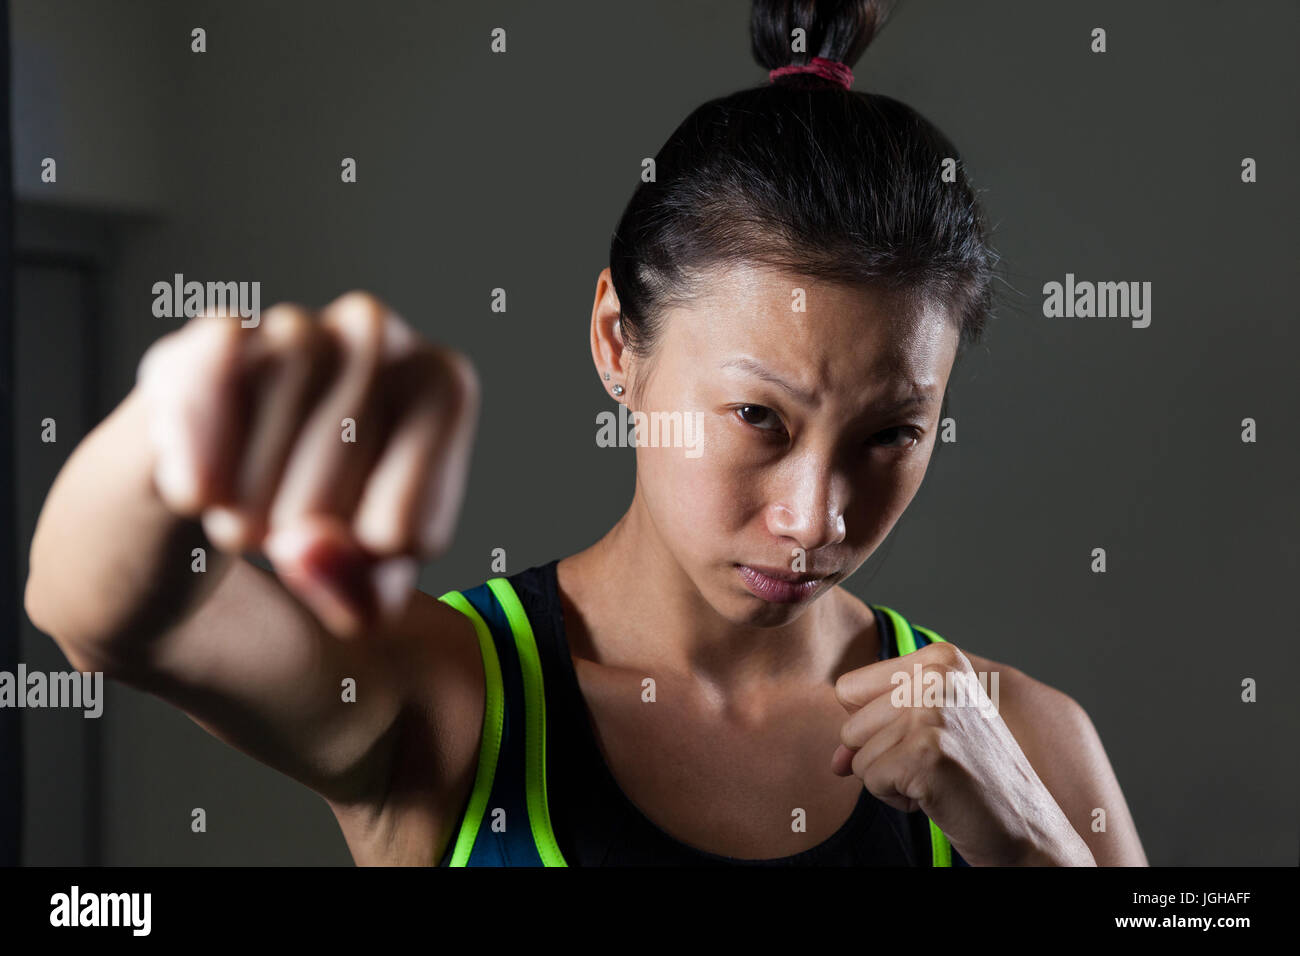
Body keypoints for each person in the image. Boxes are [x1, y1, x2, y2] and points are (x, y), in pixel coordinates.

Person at [24, 0, 1147, 866]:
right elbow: (98, 609)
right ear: (618, 341)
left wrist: (1033, 846)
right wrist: (199, 412)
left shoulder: (1029, 745)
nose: (817, 514)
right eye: (759, 416)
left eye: (891, 434)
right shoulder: (447, 695)